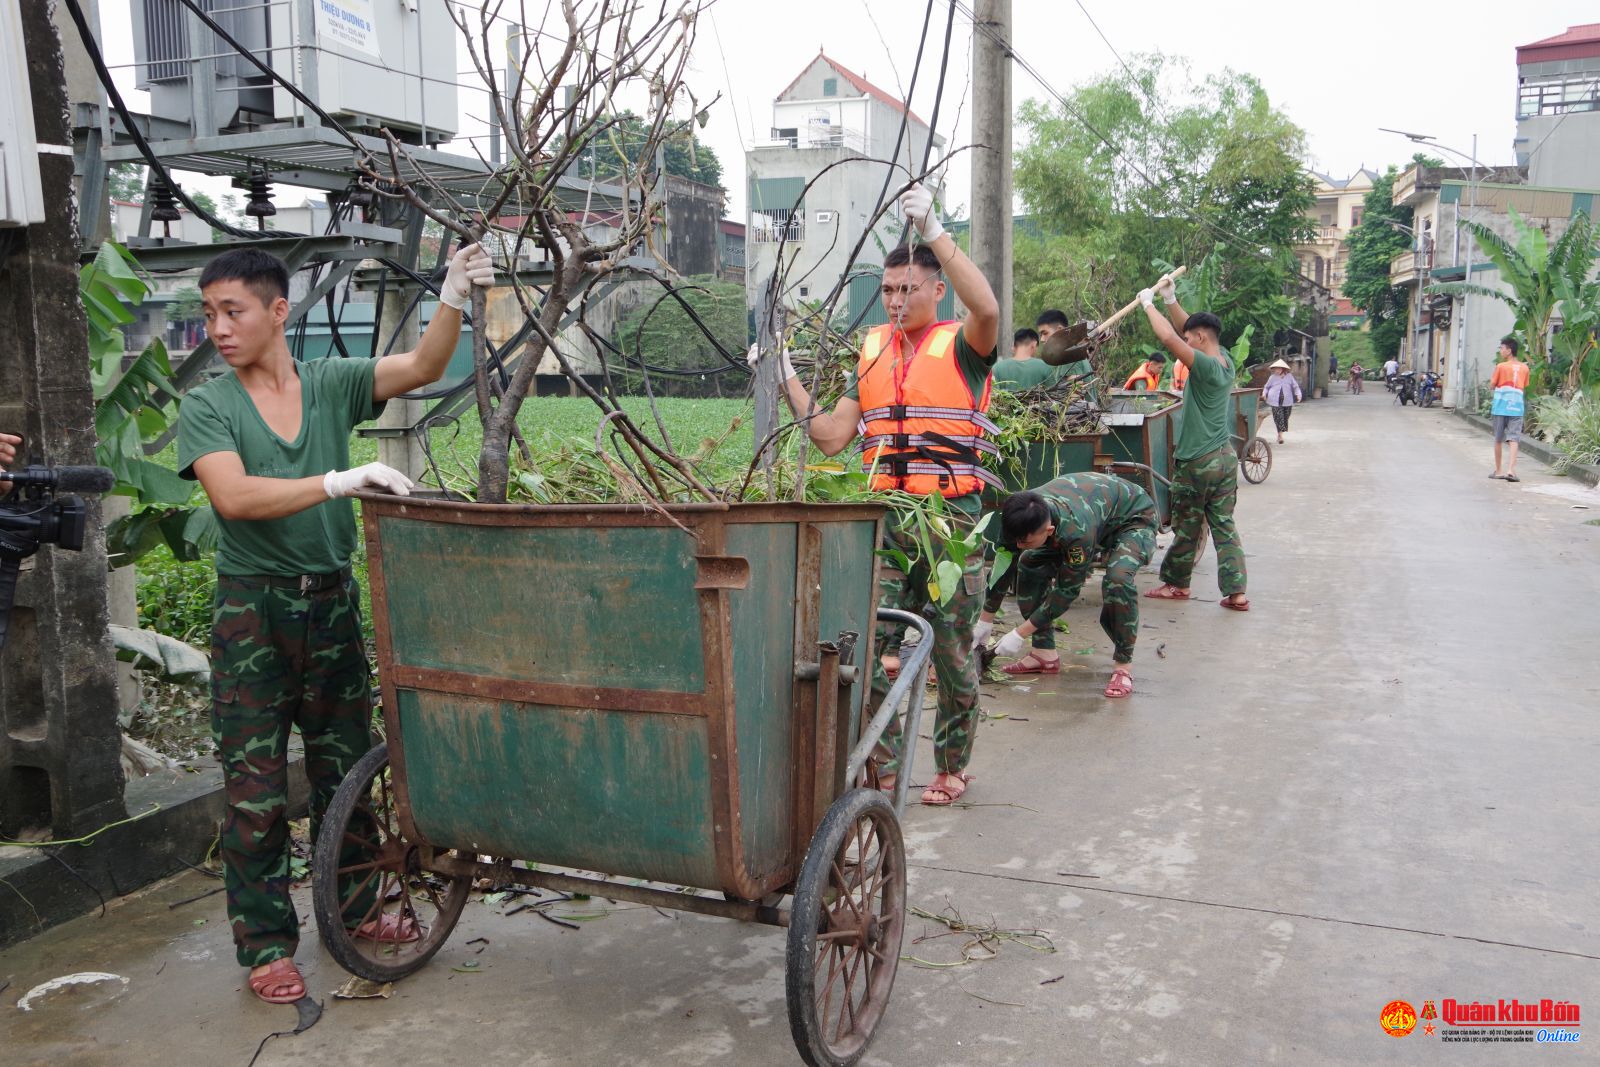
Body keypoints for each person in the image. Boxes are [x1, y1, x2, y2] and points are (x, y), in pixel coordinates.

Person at [177, 242, 495, 1004]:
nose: (217, 328)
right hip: (253, 609)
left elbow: (420, 367)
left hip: (330, 602)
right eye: (208, 313)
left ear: (277, 311)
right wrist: (337, 479)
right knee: (255, 789)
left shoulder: (328, 384)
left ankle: (353, 907)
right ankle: (265, 942)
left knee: (345, 766)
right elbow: (235, 498)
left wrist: (451, 293)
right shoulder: (209, 404)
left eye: (233, 311)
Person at [749, 183, 999, 807]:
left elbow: (990, 308)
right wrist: (783, 375)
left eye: (908, 288)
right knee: (869, 650)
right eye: (887, 290)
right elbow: (833, 437)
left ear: (936, 290)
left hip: (950, 522)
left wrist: (937, 230)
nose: (895, 300)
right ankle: (880, 768)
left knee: (951, 650)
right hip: (887, 520)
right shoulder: (870, 353)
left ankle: (951, 766)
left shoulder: (965, 346)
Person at [977, 473, 1158, 698]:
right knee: (1028, 562)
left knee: (1117, 580)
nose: (1019, 545)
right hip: (1094, 514)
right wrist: (984, 620)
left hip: (1133, 518)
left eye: (1026, 541)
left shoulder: (1076, 534)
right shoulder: (1018, 518)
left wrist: (1019, 634)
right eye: (1017, 540)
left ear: (1049, 531)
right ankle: (1043, 653)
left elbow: (1066, 592)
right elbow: (1004, 564)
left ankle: (1123, 666)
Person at [1138, 280, 1249, 611]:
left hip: (1198, 462)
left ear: (1200, 340)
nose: (1187, 340)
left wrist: (1148, 304)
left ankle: (1176, 584)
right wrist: (1170, 298)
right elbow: (1185, 330)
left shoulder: (1205, 367)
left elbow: (1170, 338)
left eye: (1192, 338)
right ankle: (1237, 592)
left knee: (1187, 527)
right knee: (1224, 526)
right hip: (1224, 460)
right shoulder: (1225, 359)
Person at [1488, 335, 1529, 482]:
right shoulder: (1525, 368)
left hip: (1500, 407)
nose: (1501, 351)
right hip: (1517, 408)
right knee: (1514, 439)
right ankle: (1511, 470)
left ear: (1509, 350)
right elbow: (1524, 385)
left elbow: (1492, 385)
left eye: (1502, 348)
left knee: (1498, 439)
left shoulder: (1500, 367)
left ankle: (1498, 470)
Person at [991, 326, 1056, 392]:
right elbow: (1054, 395)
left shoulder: (997, 368)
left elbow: (992, 396)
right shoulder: (1045, 366)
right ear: (1034, 344)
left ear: (1013, 347)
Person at [1261, 358, 1302, 444]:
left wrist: (1298, 394)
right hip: (1274, 401)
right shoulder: (1272, 377)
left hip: (1287, 401)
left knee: (1285, 418)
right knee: (1278, 418)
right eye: (1275, 368)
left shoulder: (1289, 377)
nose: (1276, 370)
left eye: (1278, 368)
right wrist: (1264, 394)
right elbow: (1266, 387)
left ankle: (1280, 434)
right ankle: (1280, 436)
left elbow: (1295, 387)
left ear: (1283, 369)